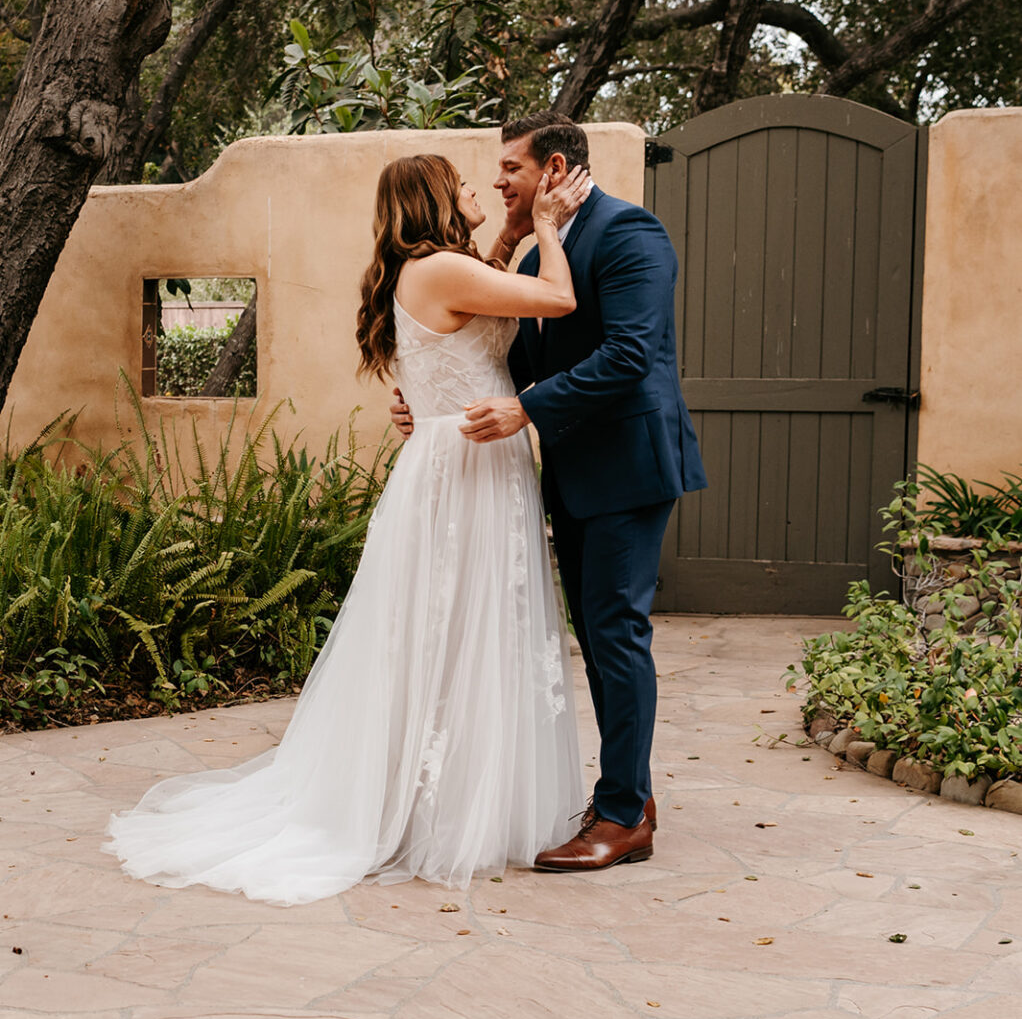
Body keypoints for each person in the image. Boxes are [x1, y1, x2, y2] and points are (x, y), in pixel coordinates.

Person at [104, 153, 592, 904]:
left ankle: (452, 789)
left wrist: (507, 240)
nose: (477, 190)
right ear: (436, 201)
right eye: (464, 184)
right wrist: (549, 228)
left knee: (457, 632)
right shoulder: (438, 270)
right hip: (465, 471)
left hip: (460, 460)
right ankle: (431, 805)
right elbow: (555, 298)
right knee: (451, 631)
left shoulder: (434, 270)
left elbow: (478, 325)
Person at [392, 112, 707, 870]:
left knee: (617, 635)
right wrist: (433, 399)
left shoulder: (631, 234)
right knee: (597, 640)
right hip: (571, 469)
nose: (497, 181)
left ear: (554, 168)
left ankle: (624, 816)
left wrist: (524, 409)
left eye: (509, 168)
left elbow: (630, 355)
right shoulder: (544, 245)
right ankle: (630, 791)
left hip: (628, 467)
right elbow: (516, 350)